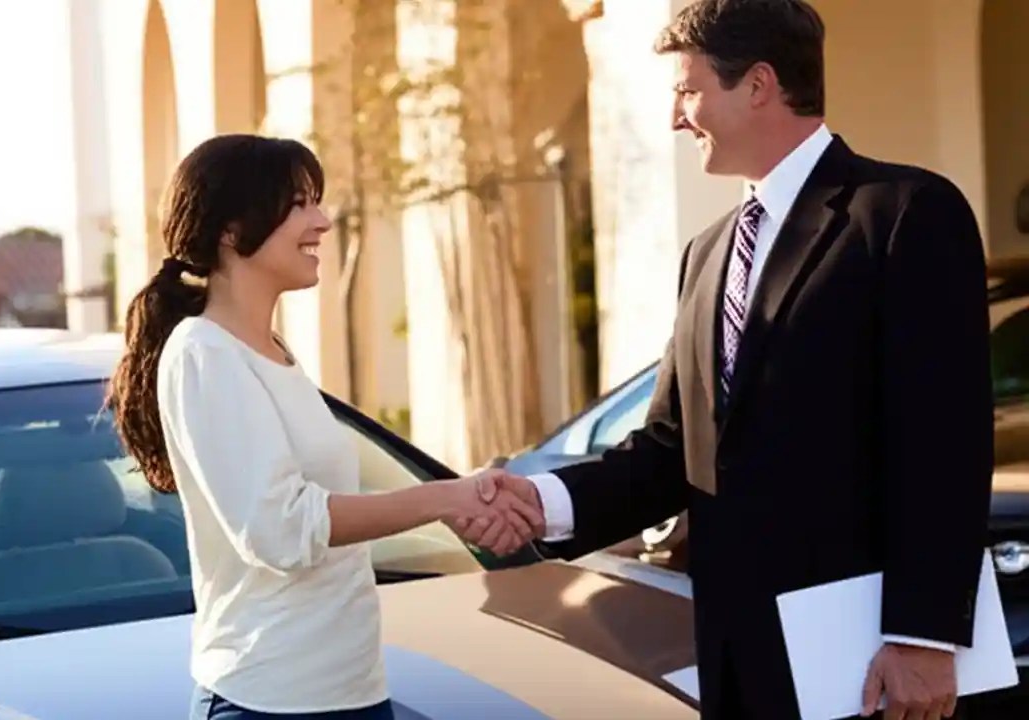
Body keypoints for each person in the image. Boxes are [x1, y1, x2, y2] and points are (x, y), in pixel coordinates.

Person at [468, 1, 993, 718]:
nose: (676, 118)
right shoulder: (707, 253)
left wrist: (924, 635)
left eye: (687, 91)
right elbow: (673, 450)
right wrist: (547, 501)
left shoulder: (904, 213)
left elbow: (943, 442)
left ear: (758, 84)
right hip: (738, 657)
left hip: (870, 663)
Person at [106, 134, 544, 720]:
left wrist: (457, 501)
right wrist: (443, 498)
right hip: (270, 699)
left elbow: (328, 511)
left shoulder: (271, 350)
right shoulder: (204, 353)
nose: (323, 221)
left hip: (350, 689)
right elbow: (281, 530)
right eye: (299, 205)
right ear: (232, 232)